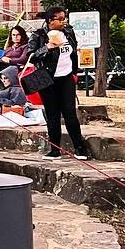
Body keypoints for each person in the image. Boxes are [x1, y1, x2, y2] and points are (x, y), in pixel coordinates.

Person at [29, 8, 90, 159]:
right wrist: (47, 48)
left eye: (65, 19)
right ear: (50, 21)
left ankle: (79, 148)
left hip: (66, 77)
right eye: (60, 19)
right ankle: (55, 149)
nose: (64, 22)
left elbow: (73, 51)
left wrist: (75, 71)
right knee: (52, 114)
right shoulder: (39, 35)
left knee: (70, 113)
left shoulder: (68, 32)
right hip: (48, 79)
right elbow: (30, 56)